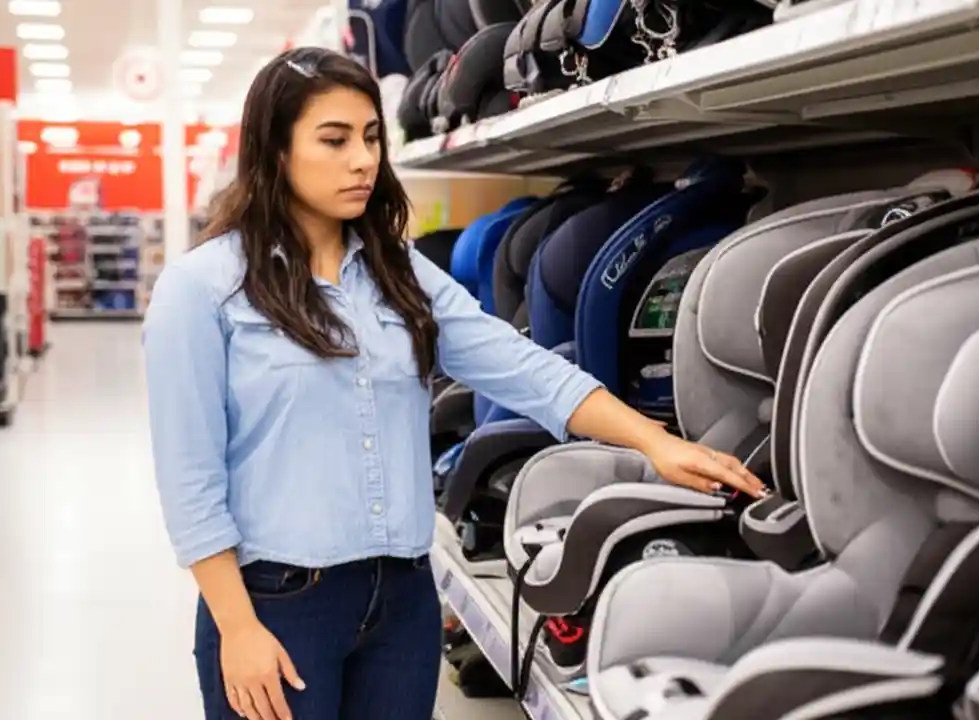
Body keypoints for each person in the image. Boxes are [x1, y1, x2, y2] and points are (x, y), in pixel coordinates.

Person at [142, 46, 767, 720]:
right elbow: (190, 482)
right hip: (277, 604)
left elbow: (520, 366)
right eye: (335, 139)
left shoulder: (397, 271)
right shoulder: (203, 289)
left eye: (372, 137)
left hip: (401, 604)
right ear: (274, 150)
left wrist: (653, 442)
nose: (363, 160)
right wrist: (237, 629)